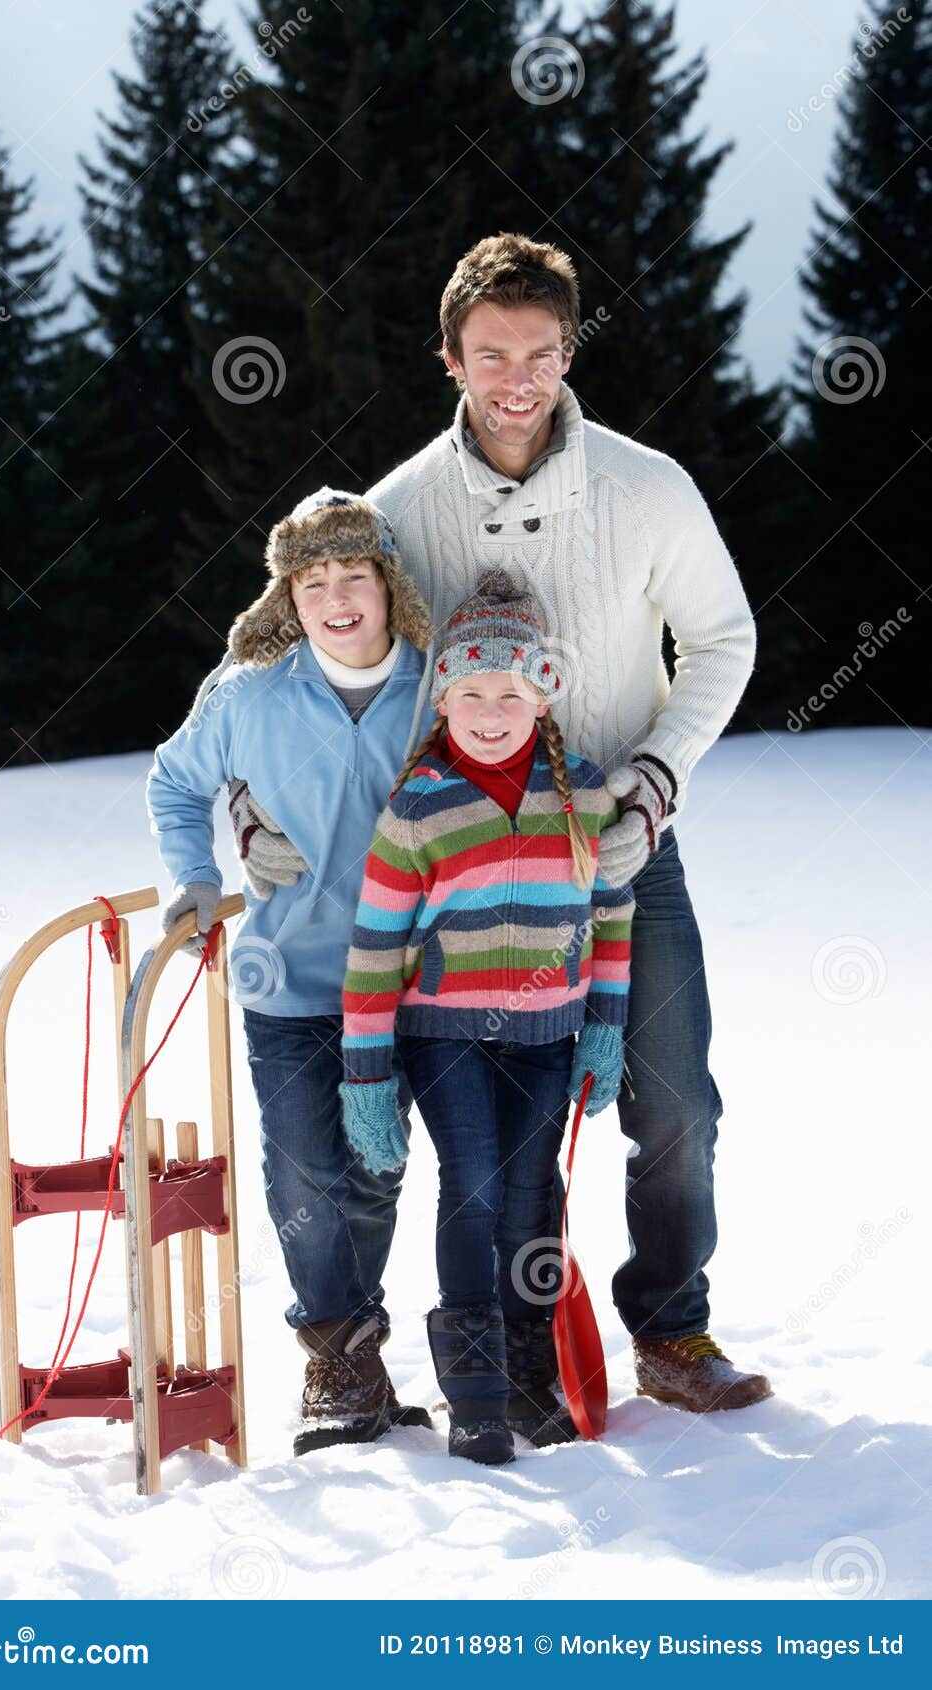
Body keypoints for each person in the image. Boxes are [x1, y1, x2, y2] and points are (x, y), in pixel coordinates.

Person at [228, 232, 772, 1414]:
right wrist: (231, 793)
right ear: (449, 360)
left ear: (566, 351)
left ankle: (672, 1333)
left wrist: (651, 780)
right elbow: (288, 640)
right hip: (446, 871)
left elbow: (723, 641)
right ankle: (423, 1345)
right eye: (489, 355)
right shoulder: (399, 506)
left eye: (537, 351)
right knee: (460, 1138)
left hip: (619, 855)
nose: (514, 378)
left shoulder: (646, 487)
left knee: (673, 1102)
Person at [145, 488, 436, 1455]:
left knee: (378, 1168)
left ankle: (362, 1345)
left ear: (389, 584)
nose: (336, 598)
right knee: (307, 1167)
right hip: (293, 977)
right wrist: (198, 870)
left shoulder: (441, 684)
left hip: (420, 978)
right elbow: (175, 779)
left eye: (354, 575)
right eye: (312, 582)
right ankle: (335, 1357)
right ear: (288, 597)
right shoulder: (249, 691)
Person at [340, 570, 635, 1465]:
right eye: (469, 691)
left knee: (528, 1195)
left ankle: (526, 1373)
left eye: (510, 690)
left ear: (542, 694)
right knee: (469, 1186)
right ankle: (472, 1398)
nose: (490, 709)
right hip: (444, 1033)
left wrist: (606, 1022)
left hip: (549, 1033)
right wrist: (365, 1070)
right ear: (445, 699)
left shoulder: (583, 796)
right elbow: (373, 947)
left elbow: (611, 914)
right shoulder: (420, 804)